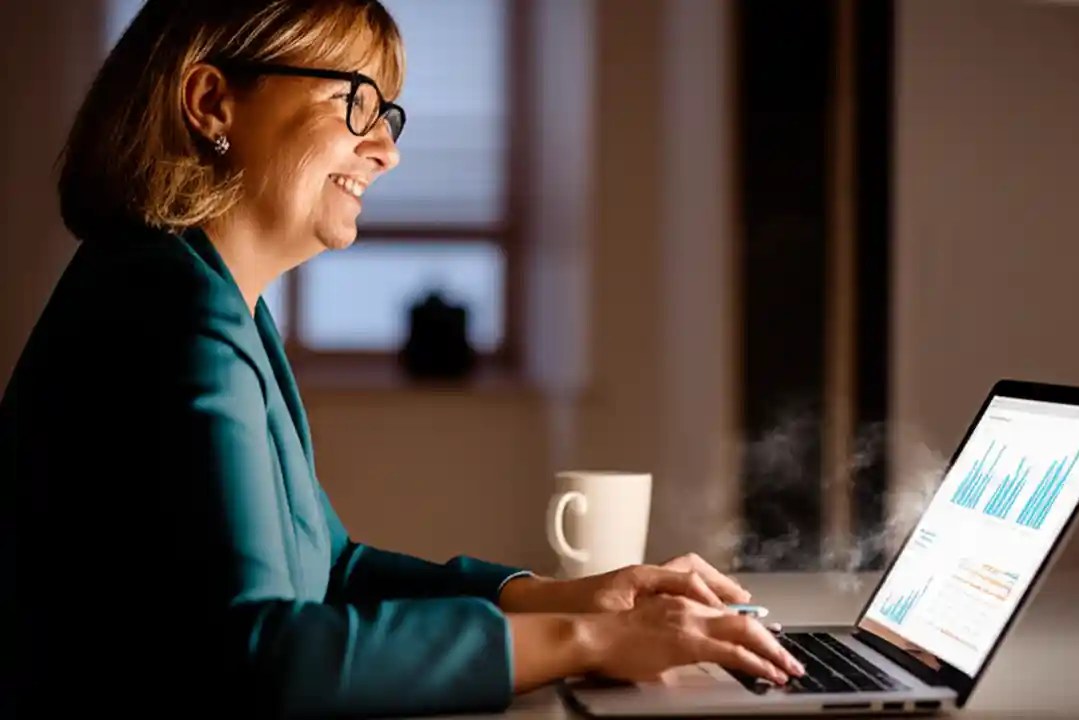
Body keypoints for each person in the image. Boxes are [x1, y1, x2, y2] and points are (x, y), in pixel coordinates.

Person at [0, 1, 805, 717]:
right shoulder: (172, 315)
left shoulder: (201, 294)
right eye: (355, 102)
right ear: (213, 101)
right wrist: (586, 639)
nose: (386, 149)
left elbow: (330, 570)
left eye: (389, 112)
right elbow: (264, 655)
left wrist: (560, 596)